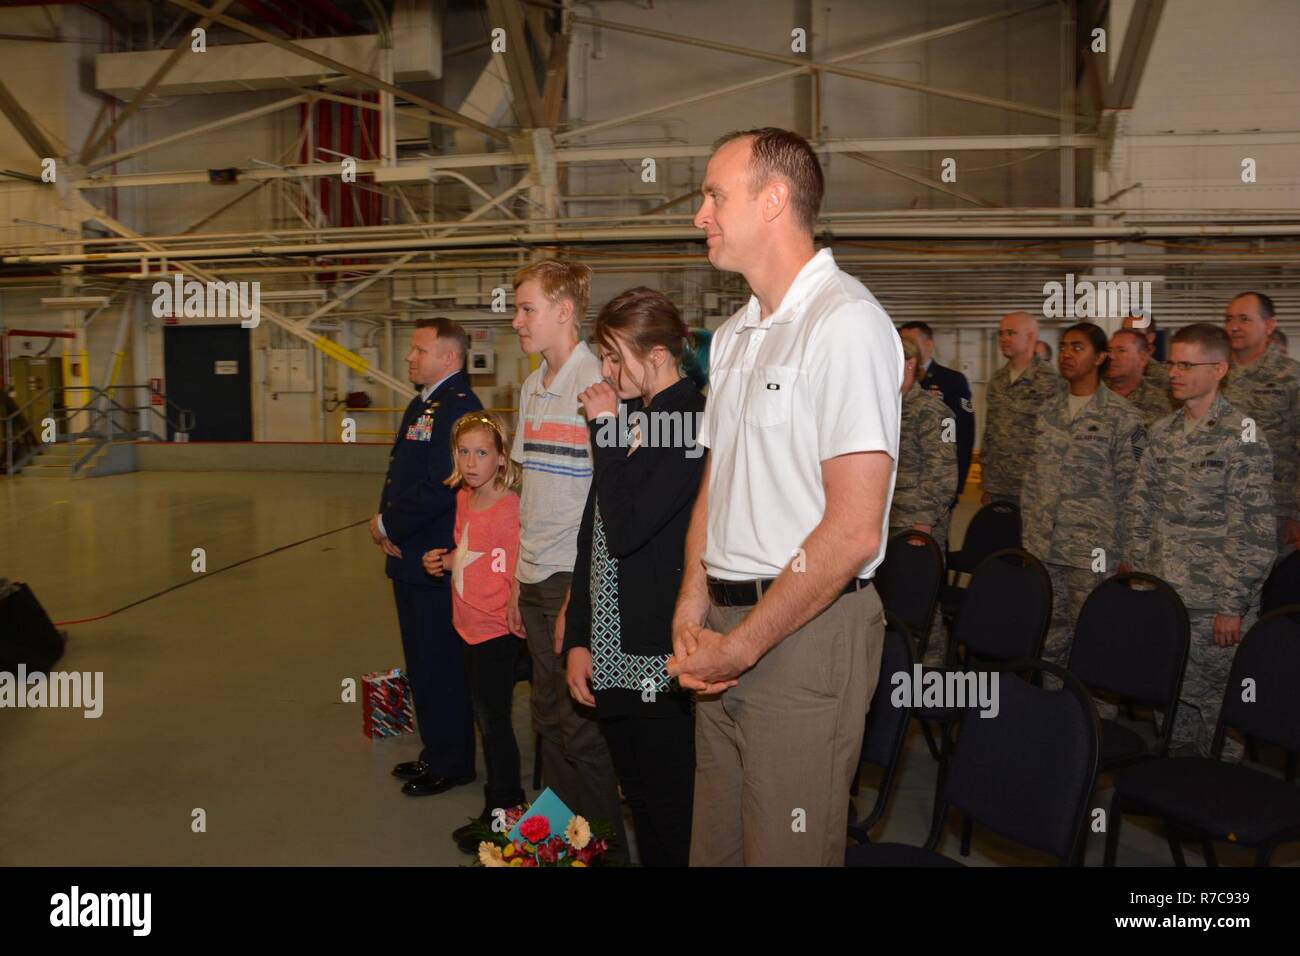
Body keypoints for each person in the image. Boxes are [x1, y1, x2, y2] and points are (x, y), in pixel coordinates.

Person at [668, 127, 900, 866]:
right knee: (720, 849)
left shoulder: (846, 324)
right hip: (727, 624)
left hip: (806, 631)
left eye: (714, 195)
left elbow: (855, 530)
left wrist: (743, 642)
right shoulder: (735, 335)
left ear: (773, 200)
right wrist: (691, 598)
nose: (699, 215)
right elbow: (718, 478)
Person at [563, 287, 706, 867]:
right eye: (603, 356)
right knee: (639, 800)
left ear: (659, 356)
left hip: (655, 655)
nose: (606, 371)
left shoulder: (688, 421)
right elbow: (593, 533)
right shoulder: (640, 418)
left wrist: (604, 429)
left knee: (669, 811)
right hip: (613, 648)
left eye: (616, 356)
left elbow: (627, 529)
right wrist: (579, 635)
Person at [508, 258, 628, 857]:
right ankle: (557, 845)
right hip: (533, 578)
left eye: (526, 308)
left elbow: (608, 509)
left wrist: (577, 604)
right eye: (515, 309)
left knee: (583, 735)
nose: (516, 321)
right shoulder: (531, 387)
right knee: (548, 725)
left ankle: (607, 849)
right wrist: (514, 583)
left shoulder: (596, 388)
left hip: (571, 582)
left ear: (564, 311)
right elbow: (525, 493)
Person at [1129, 324, 1274, 757]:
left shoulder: (1241, 435)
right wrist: (1141, 583)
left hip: (1215, 604)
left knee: (1219, 714)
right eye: (1172, 363)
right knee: (1169, 705)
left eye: (1187, 364)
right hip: (1166, 596)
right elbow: (1141, 512)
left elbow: (1254, 529)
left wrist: (1233, 604)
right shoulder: (1161, 432)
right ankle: (1174, 801)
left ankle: (1219, 808)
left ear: (1219, 370)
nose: (1173, 372)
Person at [375, 318, 483, 796]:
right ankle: (436, 750)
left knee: (440, 664)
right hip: (411, 553)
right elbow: (404, 472)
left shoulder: (459, 407)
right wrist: (389, 523)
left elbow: (443, 482)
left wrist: (387, 524)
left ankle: (454, 762)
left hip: (433, 556)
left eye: (419, 350)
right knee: (421, 661)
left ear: (449, 357)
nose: (409, 357)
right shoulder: (427, 403)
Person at [420, 411, 526, 853]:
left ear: (501, 458)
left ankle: (505, 810)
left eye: (482, 453)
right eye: (463, 452)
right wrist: (442, 562)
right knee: (486, 719)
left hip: (497, 632)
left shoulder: (510, 507)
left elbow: (519, 562)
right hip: (467, 625)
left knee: (495, 724)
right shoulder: (465, 498)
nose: (470, 462)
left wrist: (516, 603)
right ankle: (500, 806)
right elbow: (470, 554)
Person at [1021, 322, 1146, 673]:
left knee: (1096, 636)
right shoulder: (1048, 411)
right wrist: (1030, 535)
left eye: (1078, 347)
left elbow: (1134, 491)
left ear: (1100, 357)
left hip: (1095, 551)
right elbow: (1032, 478)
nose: (1067, 354)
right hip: (1045, 545)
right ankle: (1052, 712)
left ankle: (1096, 721)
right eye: (1063, 347)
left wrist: (1128, 553)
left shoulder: (1123, 417)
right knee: (1048, 636)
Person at [1221, 291, 1300, 553]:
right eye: (1229, 319)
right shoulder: (1213, 372)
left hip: (1274, 508)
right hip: (1214, 506)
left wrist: (1297, 513)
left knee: (1275, 589)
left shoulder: (1290, 376)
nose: (1233, 326)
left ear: (1269, 325)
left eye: (1244, 319)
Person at [980, 311, 1063, 506]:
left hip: (1034, 487)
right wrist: (986, 483)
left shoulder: (1050, 380)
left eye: (1011, 333)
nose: (1004, 339)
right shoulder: (998, 380)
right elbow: (990, 432)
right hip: (998, 485)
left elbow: (1058, 438)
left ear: (1031, 337)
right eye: (1001, 334)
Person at [898, 321, 974, 496]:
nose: (905, 347)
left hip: (933, 485)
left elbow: (963, 435)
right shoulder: (892, 386)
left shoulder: (952, 380)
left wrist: (957, 485)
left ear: (929, 345)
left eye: (911, 342)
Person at [1105, 328, 1175, 424]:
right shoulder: (1094, 391)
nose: (1111, 356)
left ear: (1142, 358)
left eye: (1121, 350)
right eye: (1109, 351)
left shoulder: (1155, 400)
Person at [1123, 313, 1170, 392]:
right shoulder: (1111, 368)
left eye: (1134, 331)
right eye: (1123, 331)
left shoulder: (1160, 377)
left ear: (1150, 337)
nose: (1125, 337)